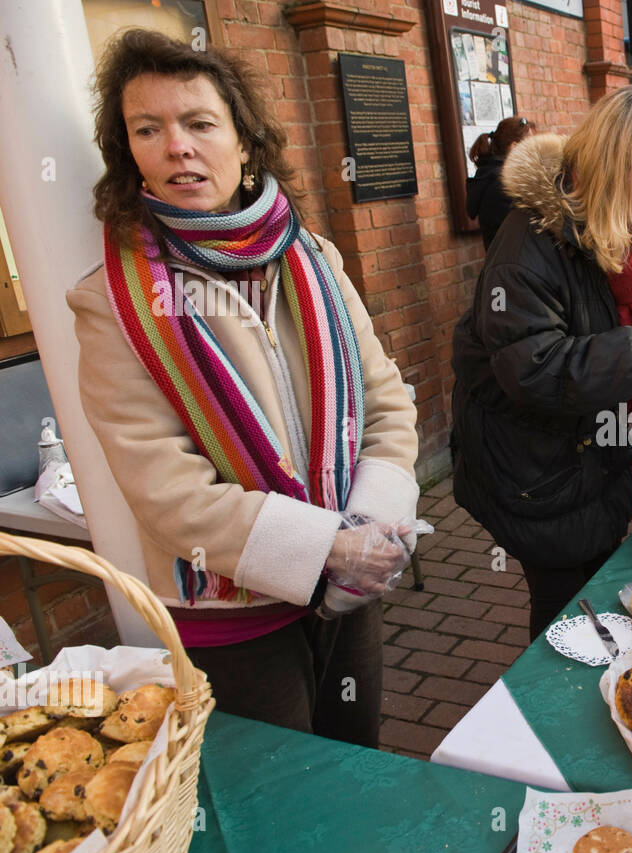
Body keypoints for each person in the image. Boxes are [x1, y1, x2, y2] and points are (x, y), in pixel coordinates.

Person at [68, 30, 420, 746]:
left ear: (244, 143)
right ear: (127, 151)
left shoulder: (313, 258)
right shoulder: (114, 301)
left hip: (351, 583)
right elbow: (165, 488)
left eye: (199, 123)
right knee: (284, 802)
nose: (176, 146)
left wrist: (371, 526)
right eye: (147, 129)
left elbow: (386, 400)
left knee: (359, 762)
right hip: (232, 613)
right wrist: (324, 544)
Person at [451, 83, 632, 637]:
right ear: (615, 171)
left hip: (595, 458)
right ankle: (553, 709)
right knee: (563, 614)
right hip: (534, 472)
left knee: (596, 596)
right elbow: (533, 370)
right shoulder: (528, 247)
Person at [466, 115, 536, 250]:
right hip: (513, 267)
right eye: (530, 145)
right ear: (514, 147)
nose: (534, 151)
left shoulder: (498, 178)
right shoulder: (502, 184)